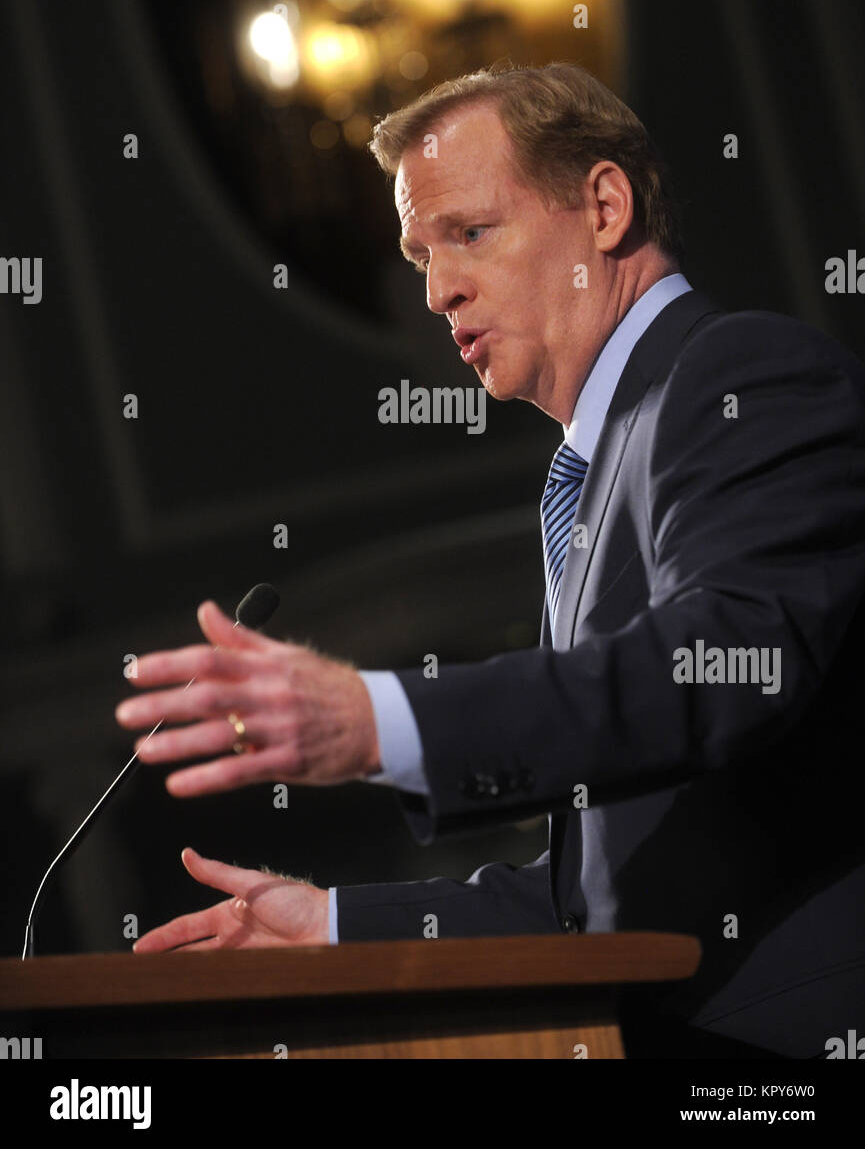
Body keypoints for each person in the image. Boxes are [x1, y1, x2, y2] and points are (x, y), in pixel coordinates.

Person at [116, 63, 865, 1059]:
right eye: (419, 253)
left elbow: (722, 665)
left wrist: (377, 719)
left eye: (468, 232)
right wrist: (333, 926)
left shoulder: (738, 376)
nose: (436, 289)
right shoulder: (592, 476)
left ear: (604, 206)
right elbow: (587, 902)